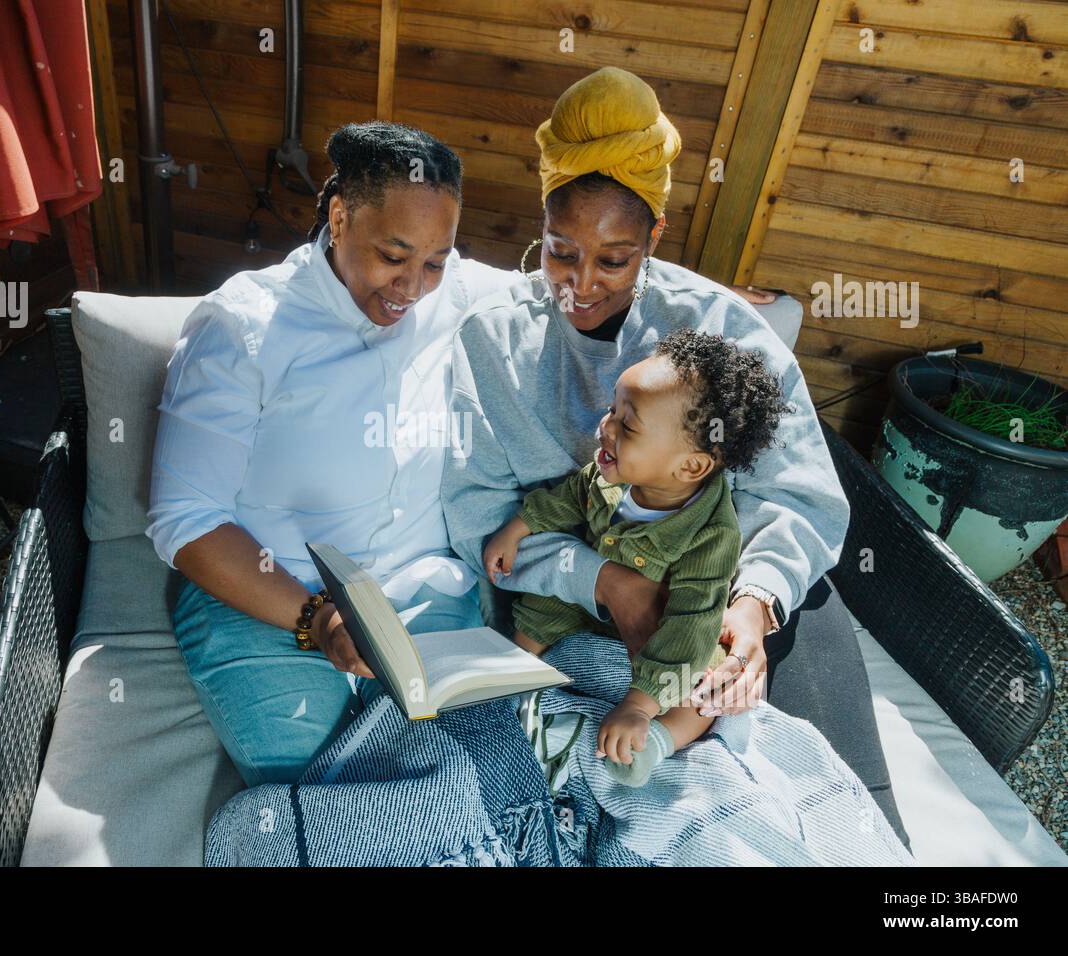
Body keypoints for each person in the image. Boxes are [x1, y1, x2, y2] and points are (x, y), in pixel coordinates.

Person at [441, 66, 906, 838]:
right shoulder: (490, 344)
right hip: (562, 611)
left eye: (613, 260)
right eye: (559, 252)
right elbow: (481, 523)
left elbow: (800, 498)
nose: (578, 285)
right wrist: (605, 582)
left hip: (726, 596)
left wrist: (752, 609)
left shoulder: (721, 330)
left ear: (654, 238)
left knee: (840, 813)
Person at [148, 122, 515, 786]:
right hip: (267, 604)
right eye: (394, 255)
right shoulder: (241, 326)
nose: (413, 286)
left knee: (467, 785)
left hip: (425, 598)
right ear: (340, 217)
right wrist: (317, 617)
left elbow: (582, 292)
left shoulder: (463, 296)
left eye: (435, 261)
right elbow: (187, 519)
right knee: (325, 799)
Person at [482, 329, 790, 787]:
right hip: (585, 602)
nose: (605, 427)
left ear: (690, 466)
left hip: (666, 627)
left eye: (627, 426)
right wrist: (520, 526)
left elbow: (690, 623)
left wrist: (639, 704)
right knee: (531, 618)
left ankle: (661, 741)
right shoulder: (611, 472)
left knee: (702, 686)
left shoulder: (711, 536)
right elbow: (571, 497)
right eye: (611, 411)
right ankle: (501, 701)